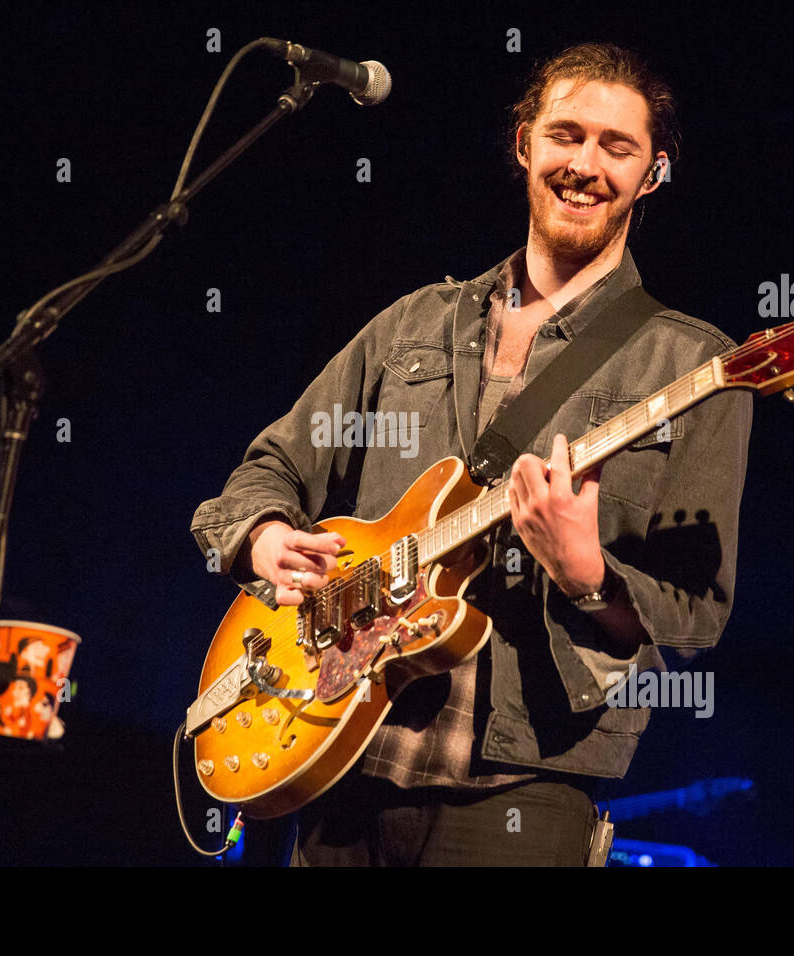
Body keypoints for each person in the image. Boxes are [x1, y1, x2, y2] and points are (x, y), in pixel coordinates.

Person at [190, 42, 752, 866]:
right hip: (342, 755)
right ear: (524, 144)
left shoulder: (695, 369)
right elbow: (269, 468)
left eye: (615, 146)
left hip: (521, 790)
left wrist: (587, 575)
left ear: (653, 174)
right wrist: (263, 535)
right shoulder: (412, 324)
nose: (585, 164)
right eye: (565, 135)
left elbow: (697, 613)